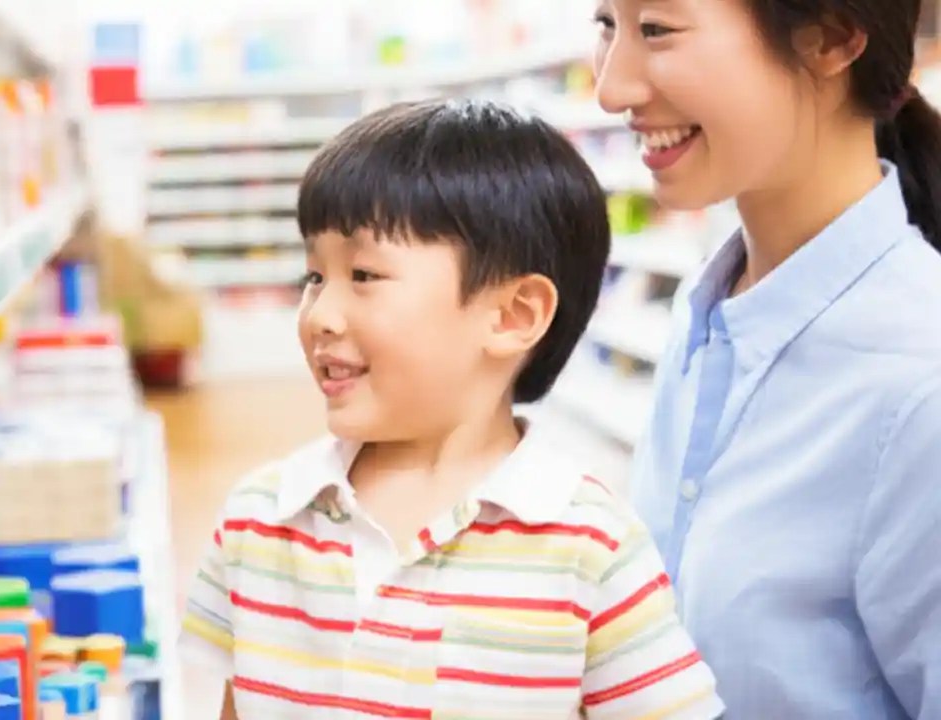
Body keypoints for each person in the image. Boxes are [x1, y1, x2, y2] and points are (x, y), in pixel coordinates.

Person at [179, 99, 724, 719]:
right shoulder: (260, 520)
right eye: (313, 277)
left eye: (362, 274)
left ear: (513, 315)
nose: (320, 316)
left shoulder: (591, 549)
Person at [594, 0, 941, 717]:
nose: (611, 86)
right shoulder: (708, 310)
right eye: (606, 25)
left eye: (655, 29)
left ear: (833, 38)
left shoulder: (918, 380)